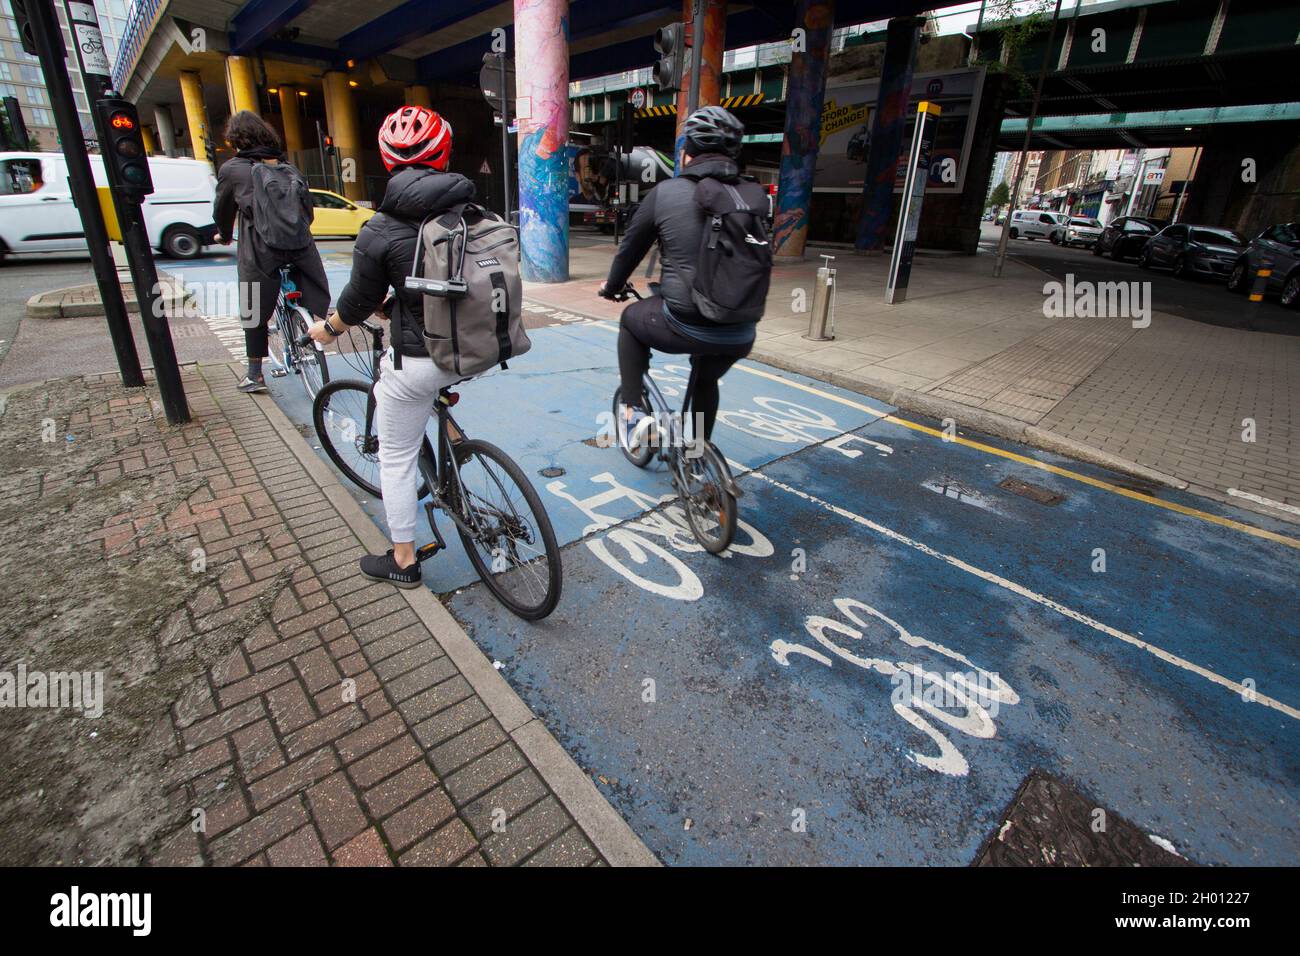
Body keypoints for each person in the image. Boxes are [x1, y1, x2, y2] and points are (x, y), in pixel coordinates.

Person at [308, 105, 475, 588]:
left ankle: (403, 560)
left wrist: (329, 330)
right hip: (481, 348)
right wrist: (399, 299)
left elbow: (355, 303)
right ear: (444, 155)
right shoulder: (471, 210)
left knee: (396, 454)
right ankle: (457, 441)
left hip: (422, 359)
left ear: (387, 160)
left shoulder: (379, 229)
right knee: (430, 390)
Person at [599, 106, 755, 450]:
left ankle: (634, 412)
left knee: (630, 321)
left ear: (687, 154)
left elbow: (630, 251)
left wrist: (611, 288)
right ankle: (698, 459)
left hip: (684, 322)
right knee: (706, 377)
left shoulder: (666, 193)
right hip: (741, 331)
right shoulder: (750, 196)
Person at [214, 110, 330, 393]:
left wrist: (224, 234)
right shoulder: (287, 166)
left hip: (260, 247)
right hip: (300, 244)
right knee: (307, 291)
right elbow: (307, 210)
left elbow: (223, 209)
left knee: (253, 304)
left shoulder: (232, 169)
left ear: (235, 139)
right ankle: (309, 326)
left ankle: (255, 374)